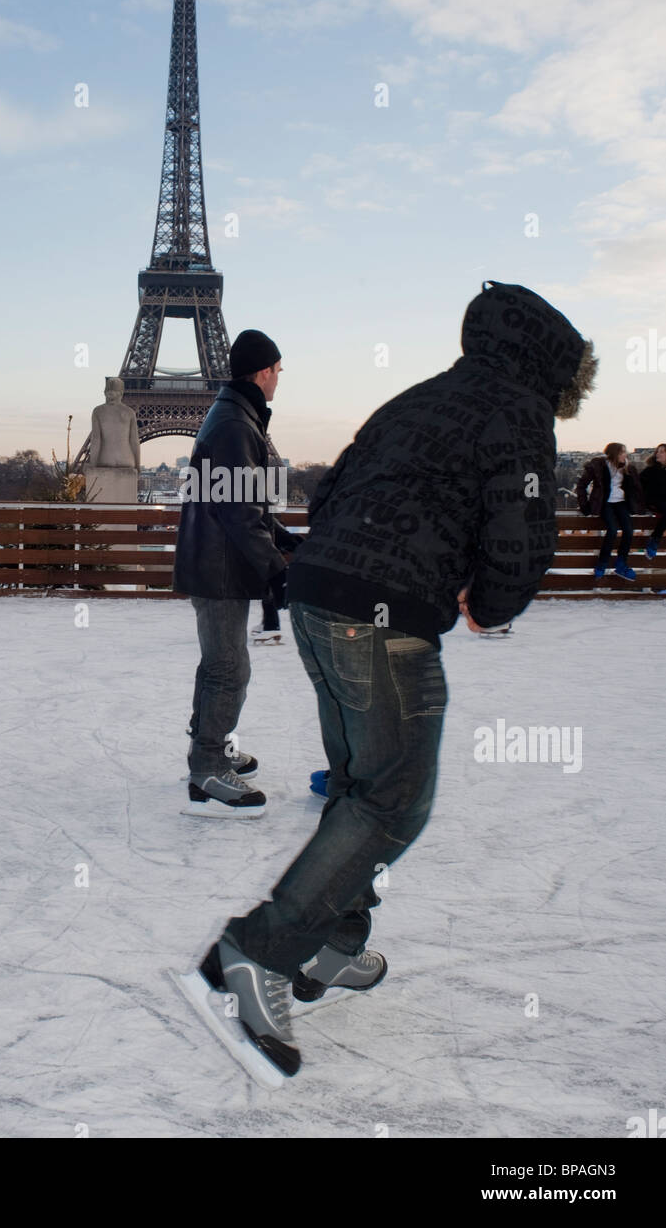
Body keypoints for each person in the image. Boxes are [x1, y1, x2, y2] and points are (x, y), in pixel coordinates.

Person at [181, 281, 598, 1081]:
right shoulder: (520, 414)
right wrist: (494, 599)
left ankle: (334, 944)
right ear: (551, 365)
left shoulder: (418, 396)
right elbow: (521, 529)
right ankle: (255, 951)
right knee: (392, 800)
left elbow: (333, 486)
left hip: (315, 597)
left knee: (355, 787)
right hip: (382, 618)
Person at [173, 329, 301, 818]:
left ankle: (207, 747)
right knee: (230, 669)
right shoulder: (234, 422)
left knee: (218, 664)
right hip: (220, 567)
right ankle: (207, 767)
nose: (279, 381)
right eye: (279, 372)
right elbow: (238, 509)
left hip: (215, 561)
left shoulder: (233, 415)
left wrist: (284, 540)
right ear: (263, 371)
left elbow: (243, 499)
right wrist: (276, 571)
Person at [575, 443, 645, 580]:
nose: (626, 455)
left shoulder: (627, 468)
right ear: (614, 453)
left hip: (621, 503)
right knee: (612, 530)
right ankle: (602, 564)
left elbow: (637, 489)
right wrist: (585, 505)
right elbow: (581, 485)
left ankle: (621, 564)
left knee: (628, 531)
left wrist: (639, 505)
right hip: (605, 503)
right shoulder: (599, 466)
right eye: (623, 452)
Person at [640, 442, 666, 560]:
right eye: (657, 451)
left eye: (662, 452)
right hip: (652, 501)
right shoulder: (650, 470)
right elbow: (637, 484)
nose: (658, 454)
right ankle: (654, 540)